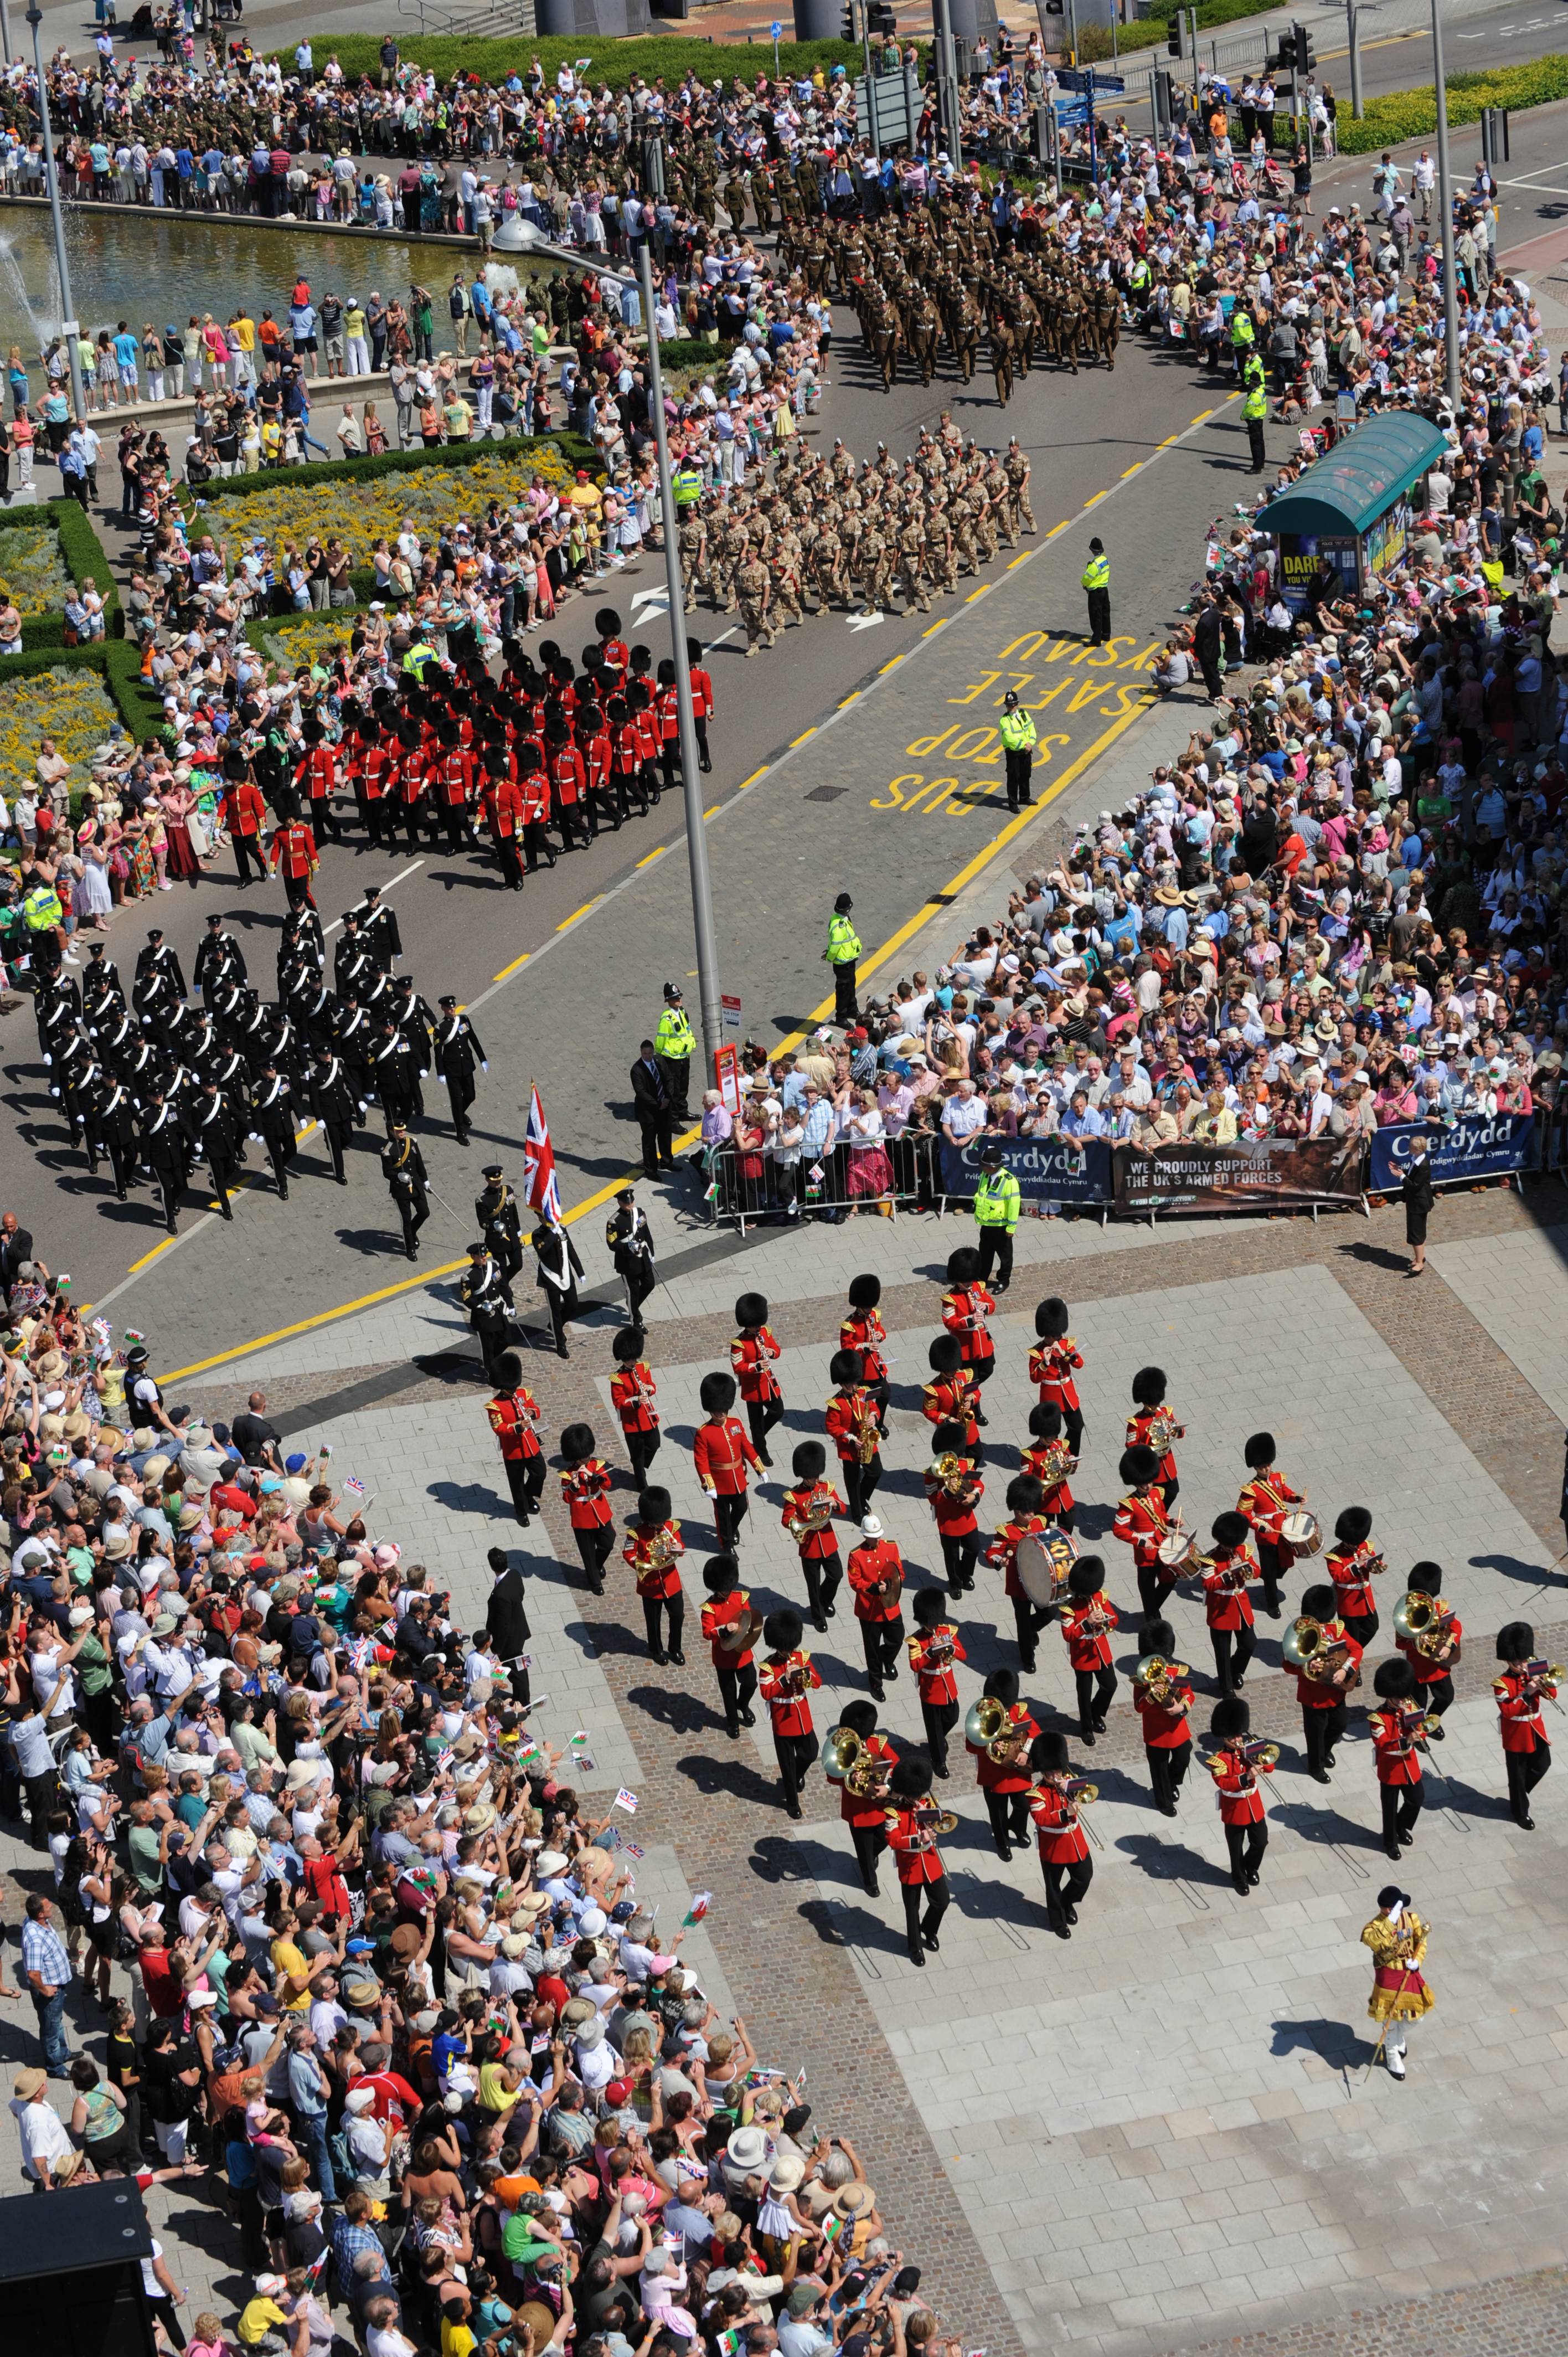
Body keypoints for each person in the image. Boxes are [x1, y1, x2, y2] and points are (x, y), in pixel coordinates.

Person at [1360, 1888, 1434, 2079]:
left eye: (1389, 1909)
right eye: (1384, 1909)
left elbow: (1421, 1942)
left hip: (1408, 1972)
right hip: (1388, 1975)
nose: (1385, 1911)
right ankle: (1393, 2057)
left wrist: (1418, 1960)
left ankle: (1397, 2037)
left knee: (1417, 2017)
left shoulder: (1412, 1919)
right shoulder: (1375, 1926)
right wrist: (1389, 1922)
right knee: (1391, 2020)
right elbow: (1373, 1941)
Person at [883, 1756, 948, 1968]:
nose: (917, 1796)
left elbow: (942, 1820)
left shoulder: (926, 1803)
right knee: (912, 1909)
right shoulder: (893, 1812)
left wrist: (933, 1825)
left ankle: (929, 1929)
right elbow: (893, 1840)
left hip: (930, 1862)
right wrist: (918, 1839)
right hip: (910, 1867)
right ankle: (915, 1948)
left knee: (942, 1901)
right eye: (913, 1794)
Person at [1027, 1731, 1094, 1939]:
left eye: (1058, 1770)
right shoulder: (1037, 1793)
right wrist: (1066, 1813)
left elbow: (1087, 1793)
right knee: (1053, 1887)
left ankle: (1067, 1902)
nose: (1056, 1775)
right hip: (1054, 1845)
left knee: (1084, 1877)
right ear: (1043, 1771)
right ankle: (1058, 1921)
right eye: (1051, 1772)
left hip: (1075, 1841)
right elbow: (1042, 1819)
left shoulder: (1068, 1780)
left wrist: (1072, 1790)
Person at [1205, 1695, 1273, 1896]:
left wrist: (1256, 1757)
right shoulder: (1218, 1760)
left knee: (1261, 1842)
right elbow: (1223, 1783)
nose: (1237, 1740)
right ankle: (1239, 1877)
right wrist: (1246, 1777)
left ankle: (1251, 1867)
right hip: (1234, 1809)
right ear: (1224, 1738)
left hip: (1254, 1804)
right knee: (1235, 1849)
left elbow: (1270, 1766)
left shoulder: (1250, 1747)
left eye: (1239, 1736)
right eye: (1233, 1738)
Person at [1495, 1620, 1554, 1828]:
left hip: (1535, 1727)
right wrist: (1528, 1693)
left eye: (1523, 1660)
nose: (1521, 1665)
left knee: (1542, 1765)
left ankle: (1519, 1795)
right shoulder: (1502, 1683)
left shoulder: (1533, 1670)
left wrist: (1543, 1682)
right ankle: (1520, 1812)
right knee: (1518, 1775)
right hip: (1516, 1733)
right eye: (1517, 1662)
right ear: (1509, 1661)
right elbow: (1508, 1711)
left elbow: (1552, 1695)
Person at [971, 1141, 1020, 1293]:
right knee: (985, 1253)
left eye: (984, 1165)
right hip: (986, 1224)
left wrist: (1011, 1227)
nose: (982, 1167)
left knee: (1005, 1256)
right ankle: (982, 1278)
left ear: (993, 1166)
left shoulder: (1009, 1181)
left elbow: (1014, 1204)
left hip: (1001, 1226)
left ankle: (1004, 1280)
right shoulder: (985, 1175)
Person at [532, 1218, 584, 1358]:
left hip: (566, 1274)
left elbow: (570, 1250)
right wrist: (552, 1234)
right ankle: (560, 1345)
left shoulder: (562, 1228)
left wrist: (580, 1272)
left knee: (573, 1305)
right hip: (551, 1277)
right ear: (541, 1219)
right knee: (555, 1311)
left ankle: (555, 1325)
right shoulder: (538, 1235)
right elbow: (542, 1251)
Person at [606, 1188, 657, 1323]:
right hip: (628, 1262)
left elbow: (646, 1231)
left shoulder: (640, 1212)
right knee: (633, 1291)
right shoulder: (614, 1221)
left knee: (649, 1284)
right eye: (627, 1203)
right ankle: (636, 1320)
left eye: (632, 1201)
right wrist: (628, 1247)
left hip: (643, 1258)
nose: (631, 1205)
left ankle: (632, 1305)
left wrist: (651, 1250)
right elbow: (612, 1244)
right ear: (620, 1203)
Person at [380, 1124, 429, 1260]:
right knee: (406, 1220)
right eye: (398, 1131)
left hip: (416, 1185)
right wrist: (398, 1176)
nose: (402, 1132)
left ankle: (412, 1232)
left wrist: (425, 1180)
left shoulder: (411, 1142)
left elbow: (419, 1162)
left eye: (403, 1130)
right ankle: (410, 1248)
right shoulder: (387, 1150)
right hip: (400, 1190)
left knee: (424, 1212)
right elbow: (387, 1172)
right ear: (392, 1131)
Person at [630, 1038, 674, 1177]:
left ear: (653, 1052)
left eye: (650, 1053)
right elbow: (641, 1092)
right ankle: (651, 1170)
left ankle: (667, 1161)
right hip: (648, 1111)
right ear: (641, 1053)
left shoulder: (660, 1061)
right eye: (645, 1054)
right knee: (649, 1141)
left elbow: (669, 1079)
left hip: (664, 1106)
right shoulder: (637, 1070)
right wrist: (658, 1104)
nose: (648, 1056)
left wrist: (668, 1098)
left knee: (665, 1135)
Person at [1402, 1129, 1435, 1276]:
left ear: (1416, 1149)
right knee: (1417, 1231)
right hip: (1416, 1201)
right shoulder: (1416, 1159)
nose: (1409, 1149)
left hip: (1419, 1202)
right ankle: (1418, 1258)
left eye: (1411, 1147)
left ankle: (1420, 1263)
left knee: (1417, 1233)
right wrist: (1400, 1171)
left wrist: (1401, 1176)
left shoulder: (1422, 1165)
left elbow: (1415, 1185)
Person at [998, 689, 1036, 810]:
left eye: (1013, 705)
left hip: (1026, 751)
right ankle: (1013, 803)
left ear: (1017, 704)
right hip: (1013, 753)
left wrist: (1031, 743)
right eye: (1009, 706)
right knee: (1013, 777)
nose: (1011, 708)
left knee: (1026, 775)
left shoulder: (1024, 714)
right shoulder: (1004, 720)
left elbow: (1031, 729)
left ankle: (1025, 798)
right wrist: (1024, 745)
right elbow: (1010, 739)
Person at [1080, 536, 1110, 644]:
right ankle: (1106, 635)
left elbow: (1086, 579)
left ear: (1092, 550)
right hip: (1104, 590)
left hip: (1095, 593)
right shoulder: (1105, 560)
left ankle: (1096, 640)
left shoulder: (1093, 566)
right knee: (1105, 613)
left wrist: (1084, 584)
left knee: (1096, 615)